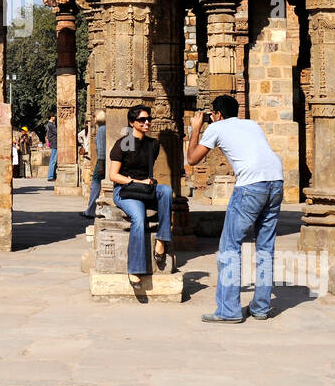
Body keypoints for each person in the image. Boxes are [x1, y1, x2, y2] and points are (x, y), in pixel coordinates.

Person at [186, 95, 285, 323]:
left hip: (251, 186)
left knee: (230, 246)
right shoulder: (251, 124)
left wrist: (196, 129)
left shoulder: (217, 127)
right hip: (276, 181)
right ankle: (260, 307)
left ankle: (228, 310)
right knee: (265, 246)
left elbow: (192, 159)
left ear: (217, 114)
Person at [107, 104, 173, 283]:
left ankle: (162, 239)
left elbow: (146, 172)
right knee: (139, 218)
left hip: (144, 189)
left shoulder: (153, 145)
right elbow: (113, 175)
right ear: (131, 122)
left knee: (166, 190)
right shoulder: (122, 144)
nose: (147, 122)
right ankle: (135, 269)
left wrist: (148, 181)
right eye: (142, 120)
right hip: (125, 191)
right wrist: (137, 182)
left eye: (148, 119)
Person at [81, 110, 107, 219]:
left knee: (96, 184)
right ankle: (90, 209)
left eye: (95, 117)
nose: (93, 119)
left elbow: (101, 148)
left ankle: (90, 210)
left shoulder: (101, 130)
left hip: (102, 161)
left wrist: (100, 163)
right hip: (105, 160)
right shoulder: (105, 128)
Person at [45, 114, 58, 182]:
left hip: (53, 143)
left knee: (53, 160)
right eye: (54, 116)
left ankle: (52, 175)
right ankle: (50, 176)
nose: (55, 117)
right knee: (53, 160)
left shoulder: (49, 124)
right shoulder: (51, 125)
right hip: (54, 143)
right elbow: (57, 132)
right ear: (51, 117)